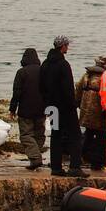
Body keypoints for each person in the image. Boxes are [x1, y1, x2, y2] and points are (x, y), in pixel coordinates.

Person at [39, 36, 86, 178]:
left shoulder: (45, 64)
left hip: (52, 107)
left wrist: (46, 103)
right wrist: (73, 104)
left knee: (56, 135)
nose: (68, 47)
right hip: (65, 107)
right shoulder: (64, 65)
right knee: (75, 135)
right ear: (63, 47)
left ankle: (56, 167)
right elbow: (68, 89)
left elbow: (40, 86)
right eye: (67, 45)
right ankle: (75, 167)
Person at [9, 47, 45, 170]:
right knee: (39, 134)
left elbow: (16, 92)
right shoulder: (43, 71)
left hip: (26, 110)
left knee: (26, 135)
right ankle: (36, 157)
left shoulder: (21, 72)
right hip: (42, 109)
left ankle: (35, 158)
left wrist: (12, 109)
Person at [76, 56, 106, 172]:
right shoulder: (105, 78)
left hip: (85, 112)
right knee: (101, 139)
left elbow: (78, 90)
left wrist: (78, 103)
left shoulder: (87, 75)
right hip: (99, 114)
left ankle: (79, 158)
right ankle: (96, 163)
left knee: (88, 135)